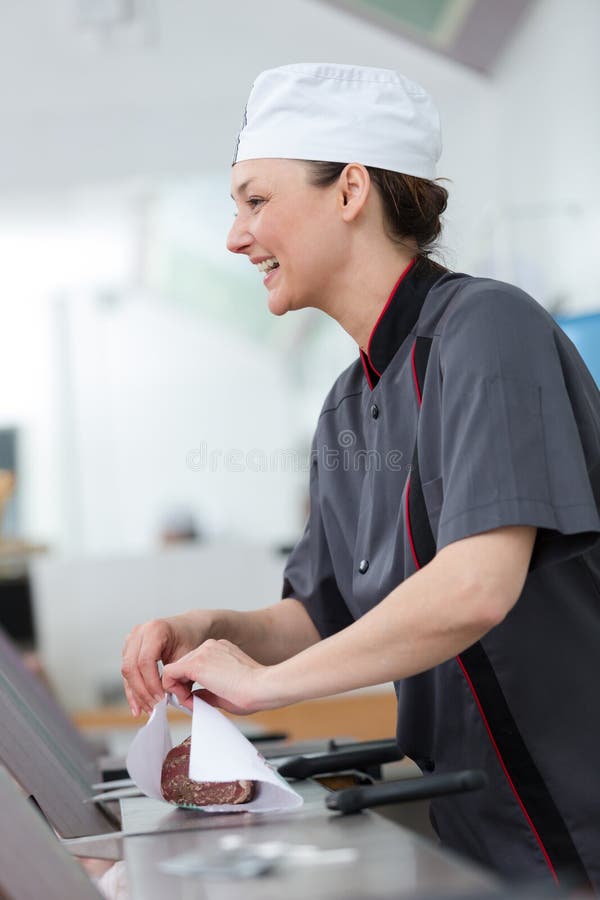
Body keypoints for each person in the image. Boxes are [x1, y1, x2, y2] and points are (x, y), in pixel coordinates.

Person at [121, 64, 600, 889]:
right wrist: (215, 630)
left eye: (255, 200)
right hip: (479, 834)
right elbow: (326, 607)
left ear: (350, 190)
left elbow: (476, 587)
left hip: (580, 826)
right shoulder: (348, 405)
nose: (236, 237)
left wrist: (266, 686)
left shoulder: (489, 330)